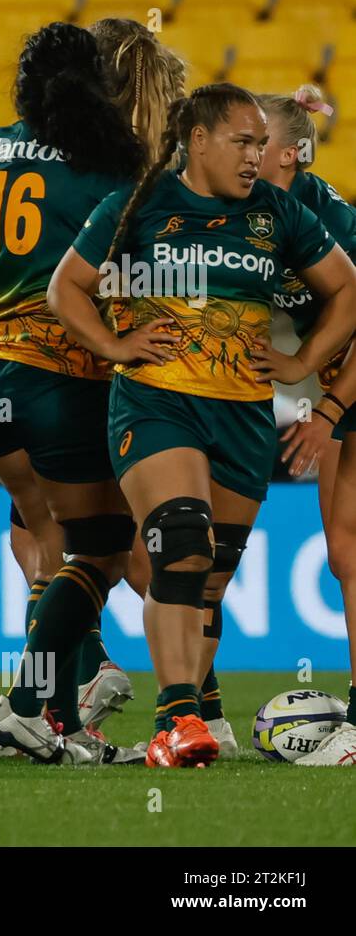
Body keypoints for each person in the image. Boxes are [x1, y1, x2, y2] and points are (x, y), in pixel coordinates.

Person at [49, 82, 356, 767]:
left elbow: (349, 289)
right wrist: (113, 346)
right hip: (156, 402)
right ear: (199, 141)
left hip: (243, 415)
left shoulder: (278, 211)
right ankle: (177, 718)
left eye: (260, 145)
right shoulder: (139, 204)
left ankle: (195, 719)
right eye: (243, 143)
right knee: (180, 542)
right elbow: (65, 286)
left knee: (211, 579)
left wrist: (304, 359)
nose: (258, 158)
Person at [0, 23, 148, 764]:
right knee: (99, 548)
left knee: (48, 548)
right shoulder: (104, 162)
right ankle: (30, 703)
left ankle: (54, 727)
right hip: (64, 377)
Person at [251, 85, 356, 766]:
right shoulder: (264, 214)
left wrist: (326, 409)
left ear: (288, 157)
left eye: (252, 143)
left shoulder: (333, 222)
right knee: (345, 551)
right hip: (340, 387)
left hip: (345, 390)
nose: (239, 153)